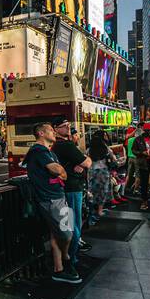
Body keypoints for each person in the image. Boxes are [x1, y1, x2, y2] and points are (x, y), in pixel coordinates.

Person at [23, 122, 79, 284]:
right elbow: (58, 171)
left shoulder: (49, 152)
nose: (54, 132)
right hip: (50, 199)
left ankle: (59, 269)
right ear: (41, 133)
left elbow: (64, 175)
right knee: (67, 233)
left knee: (57, 234)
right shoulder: (38, 151)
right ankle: (67, 258)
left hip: (57, 196)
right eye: (50, 130)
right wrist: (60, 171)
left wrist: (61, 171)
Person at [52, 120, 91, 265]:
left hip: (63, 188)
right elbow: (87, 162)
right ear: (56, 129)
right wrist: (83, 161)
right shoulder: (65, 145)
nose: (68, 128)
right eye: (64, 126)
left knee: (67, 221)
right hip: (72, 187)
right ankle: (72, 257)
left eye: (69, 126)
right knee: (74, 222)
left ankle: (66, 256)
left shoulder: (56, 145)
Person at [87, 128, 114, 222]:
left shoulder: (89, 149)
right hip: (103, 172)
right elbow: (113, 159)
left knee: (92, 191)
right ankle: (100, 211)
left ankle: (91, 211)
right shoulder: (106, 148)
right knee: (102, 191)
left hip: (92, 172)